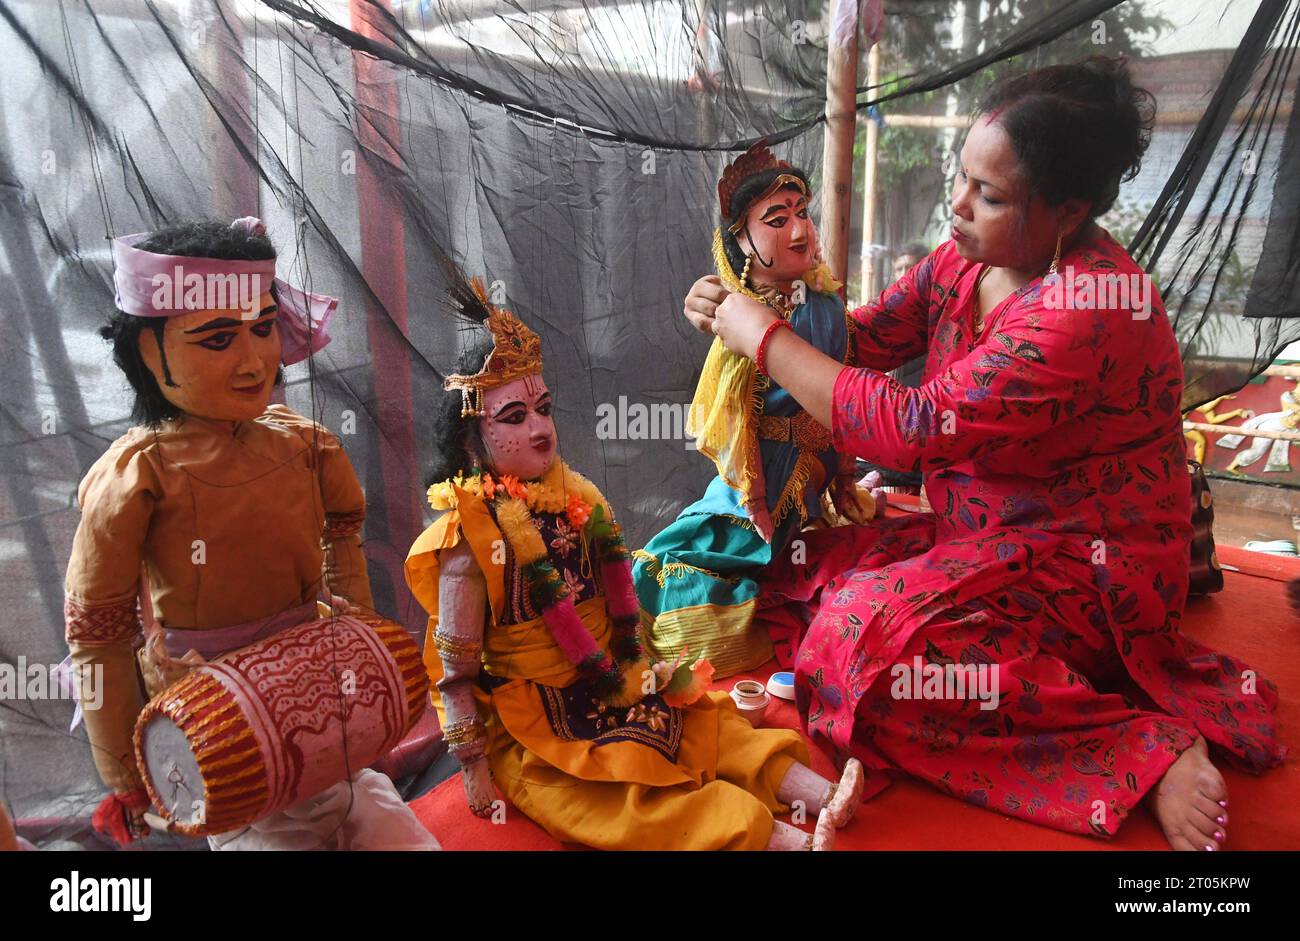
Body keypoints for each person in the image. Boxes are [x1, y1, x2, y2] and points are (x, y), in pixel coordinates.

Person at [682, 56, 1283, 851]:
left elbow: (911, 426)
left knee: (866, 653)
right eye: (962, 178)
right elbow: (861, 339)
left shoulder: (1087, 307)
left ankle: (1139, 747)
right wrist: (757, 304)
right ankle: (1026, 683)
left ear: (1069, 210)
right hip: (978, 537)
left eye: (990, 194)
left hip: (1086, 569)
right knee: (790, 572)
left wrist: (761, 338)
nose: (957, 206)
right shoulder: (971, 255)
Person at [404, 267, 864, 850]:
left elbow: (615, 603)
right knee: (618, 798)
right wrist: (472, 766)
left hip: (613, 673)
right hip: (539, 722)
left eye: (543, 409)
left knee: (703, 720)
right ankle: (764, 835)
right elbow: (455, 676)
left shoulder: (575, 500)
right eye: (515, 419)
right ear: (473, 440)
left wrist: (641, 664)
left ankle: (815, 793)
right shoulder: (467, 541)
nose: (542, 430)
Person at [63, 218, 438, 850]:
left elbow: (343, 547)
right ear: (150, 352)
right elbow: (97, 630)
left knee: (390, 829)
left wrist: (361, 661)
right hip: (221, 723)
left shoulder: (303, 443)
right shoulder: (135, 476)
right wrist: (126, 772)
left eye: (264, 329)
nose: (253, 359)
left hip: (325, 697)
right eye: (217, 339)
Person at [634, 141, 883, 678]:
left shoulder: (827, 304)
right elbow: (735, 420)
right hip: (757, 497)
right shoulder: (740, 320)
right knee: (704, 583)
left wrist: (841, 478)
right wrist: (758, 501)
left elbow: (841, 395)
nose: (799, 231)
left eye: (802, 214)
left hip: (811, 496)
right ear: (741, 243)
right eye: (776, 220)